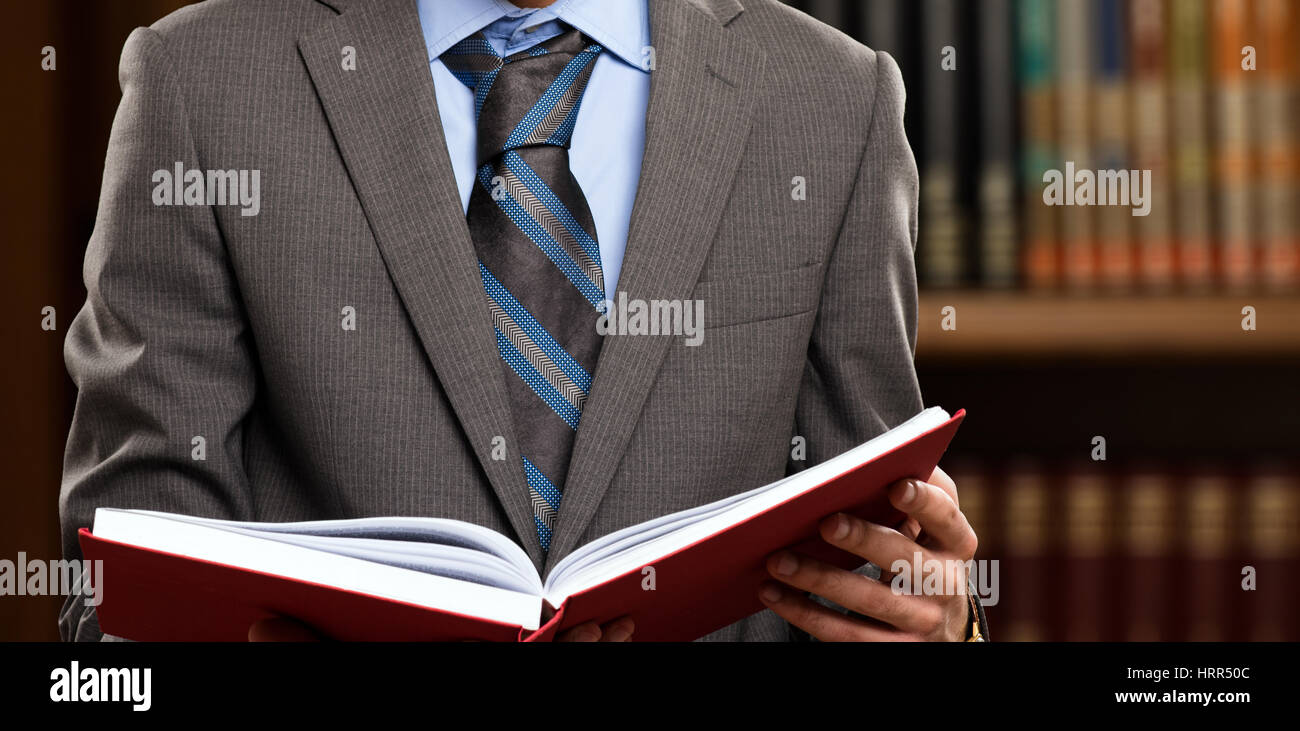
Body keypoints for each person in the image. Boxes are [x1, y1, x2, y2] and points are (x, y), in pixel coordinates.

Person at [60, 0, 986, 642]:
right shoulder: (201, 86)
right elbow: (113, 619)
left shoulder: (836, 102)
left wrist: (944, 625)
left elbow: (876, 570)